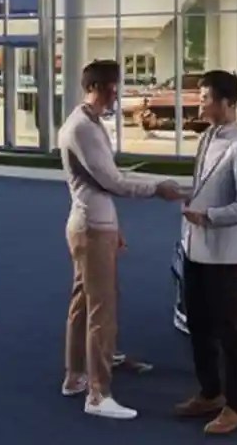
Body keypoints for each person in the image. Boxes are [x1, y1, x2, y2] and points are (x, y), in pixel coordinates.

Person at [59, 59, 183, 420]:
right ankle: (98, 394)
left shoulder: (89, 123)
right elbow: (113, 182)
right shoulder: (82, 127)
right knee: (102, 311)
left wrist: (115, 228)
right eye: (116, 86)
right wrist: (156, 188)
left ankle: (76, 376)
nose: (119, 93)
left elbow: (105, 178)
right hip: (91, 228)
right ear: (101, 86)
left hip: (94, 224)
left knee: (84, 303)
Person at [174, 69, 237, 435]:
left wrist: (207, 216)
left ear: (228, 102)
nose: (200, 101)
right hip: (194, 249)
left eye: (205, 97)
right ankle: (209, 392)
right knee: (198, 324)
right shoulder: (208, 137)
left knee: (231, 332)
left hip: (225, 256)